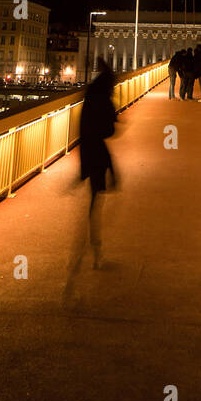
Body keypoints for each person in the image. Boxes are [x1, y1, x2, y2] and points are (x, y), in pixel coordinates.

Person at [78, 58, 117, 268]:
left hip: (89, 150)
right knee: (94, 201)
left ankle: (93, 248)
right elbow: (109, 130)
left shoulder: (92, 94)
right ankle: (94, 249)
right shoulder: (103, 98)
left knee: (94, 199)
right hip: (97, 152)